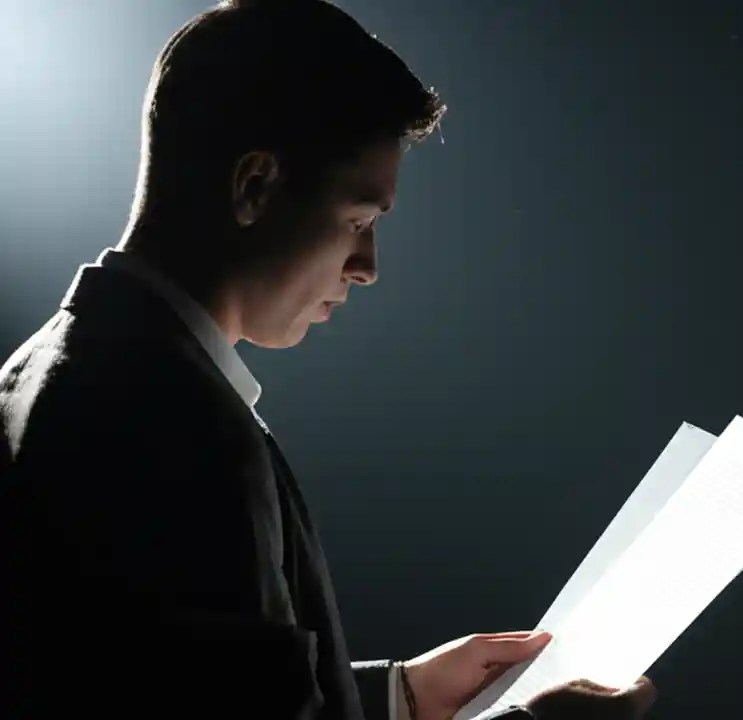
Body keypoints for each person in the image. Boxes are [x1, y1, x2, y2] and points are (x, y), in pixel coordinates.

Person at [0, 1, 657, 719]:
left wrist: (400, 696)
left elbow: (173, 683)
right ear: (255, 186)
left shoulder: (47, 371)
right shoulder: (178, 429)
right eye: (358, 220)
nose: (367, 267)